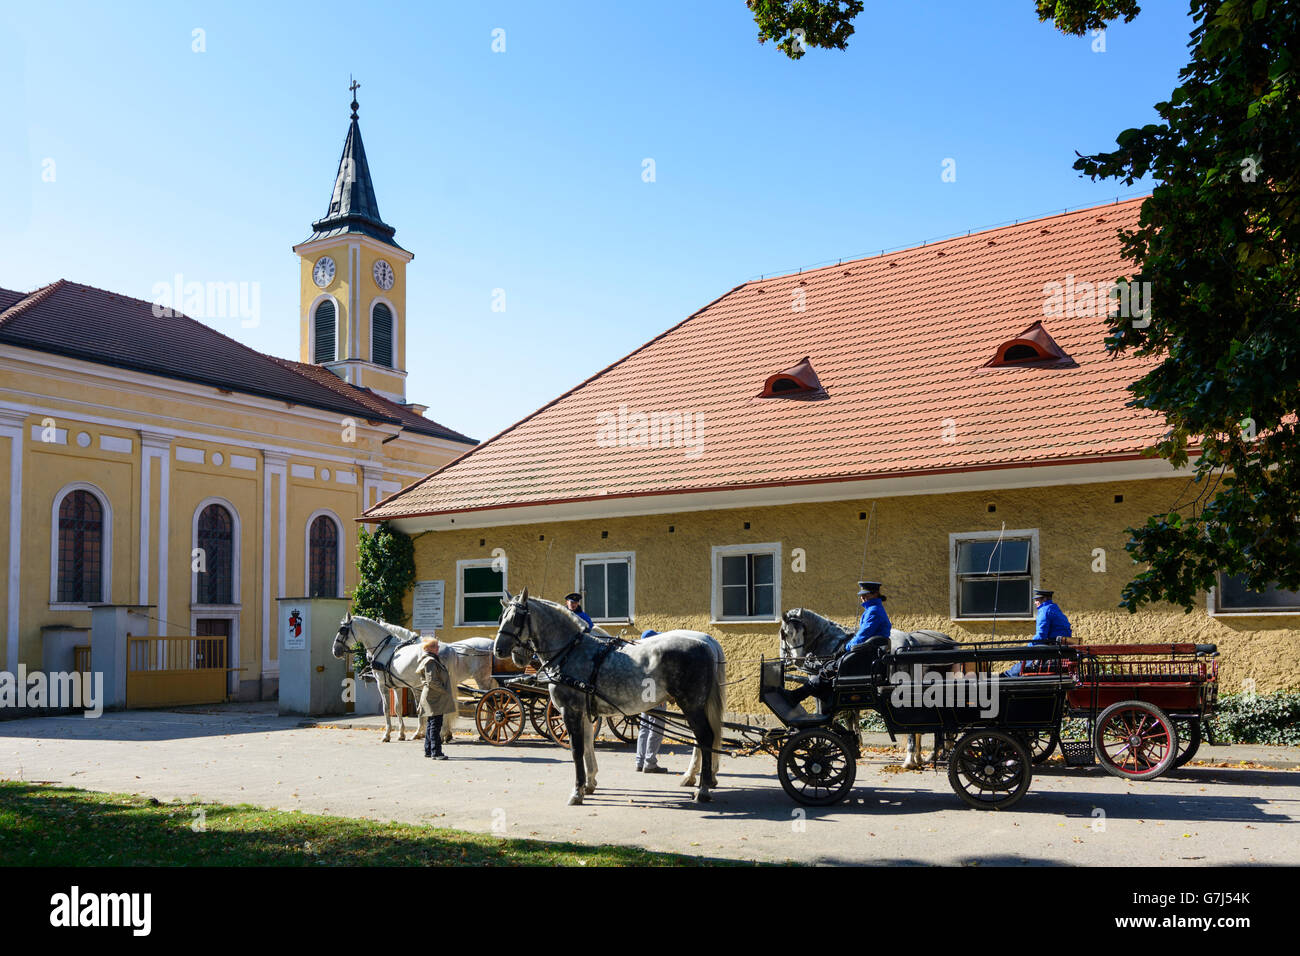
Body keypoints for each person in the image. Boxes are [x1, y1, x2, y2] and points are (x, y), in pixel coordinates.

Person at [788, 582, 893, 715]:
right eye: (862, 595)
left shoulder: (874, 612)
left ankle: (797, 697)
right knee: (829, 668)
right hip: (868, 652)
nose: (862, 598)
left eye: (865, 595)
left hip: (867, 655)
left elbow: (862, 636)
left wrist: (845, 648)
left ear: (875, 594)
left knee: (829, 669)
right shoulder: (873, 610)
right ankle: (812, 697)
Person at [1003, 589, 1073, 676]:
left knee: (1028, 654)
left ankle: (1005, 676)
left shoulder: (1044, 611)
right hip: (1059, 648)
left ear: (1044, 599)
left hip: (1052, 647)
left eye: (1037, 600)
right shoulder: (1055, 608)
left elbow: (1041, 635)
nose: (1035, 602)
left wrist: (1027, 647)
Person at [634, 629, 669, 773]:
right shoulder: (655, 658)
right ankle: (650, 762)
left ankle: (640, 761)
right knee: (656, 729)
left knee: (644, 728)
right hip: (655, 697)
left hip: (644, 696)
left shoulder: (640, 657)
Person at [418, 637, 452, 759]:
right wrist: (444, 691)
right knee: (435, 725)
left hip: (433, 696)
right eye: (436, 646)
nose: (438, 648)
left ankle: (428, 750)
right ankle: (436, 752)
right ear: (429, 648)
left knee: (432, 723)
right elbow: (432, 681)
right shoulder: (430, 661)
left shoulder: (431, 659)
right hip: (434, 697)